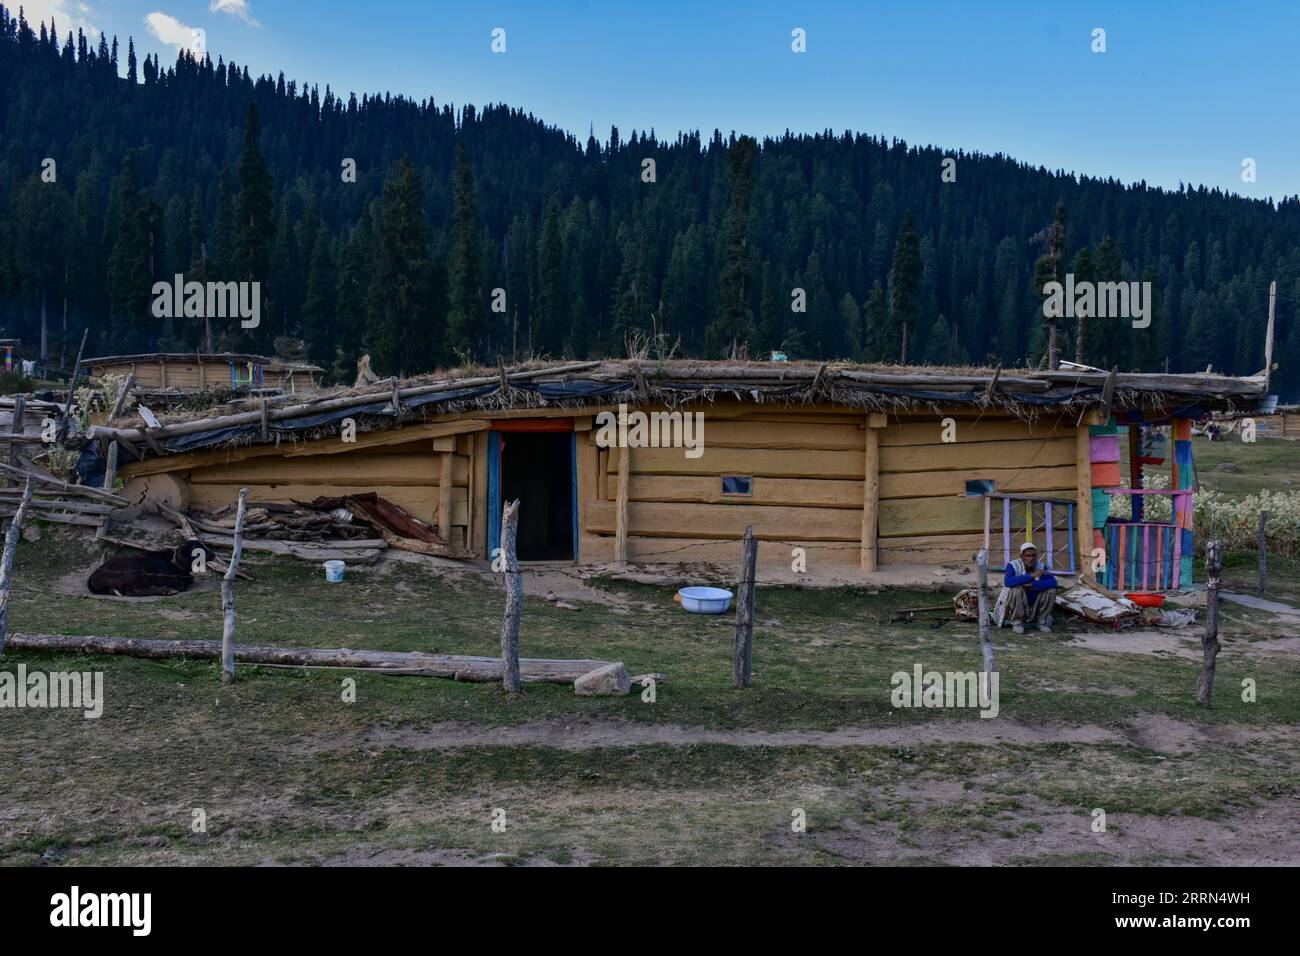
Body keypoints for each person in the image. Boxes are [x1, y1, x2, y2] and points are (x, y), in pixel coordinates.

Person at [993, 541, 1058, 634]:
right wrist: (1031, 576)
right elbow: (1008, 582)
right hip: (1017, 603)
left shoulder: (1041, 566)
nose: (1031, 559)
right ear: (1022, 556)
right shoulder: (1012, 565)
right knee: (1016, 590)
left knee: (1051, 590)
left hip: (1034, 602)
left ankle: (1041, 621)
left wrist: (1032, 585)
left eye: (1033, 555)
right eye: (1028, 556)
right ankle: (1017, 622)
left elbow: (1053, 583)